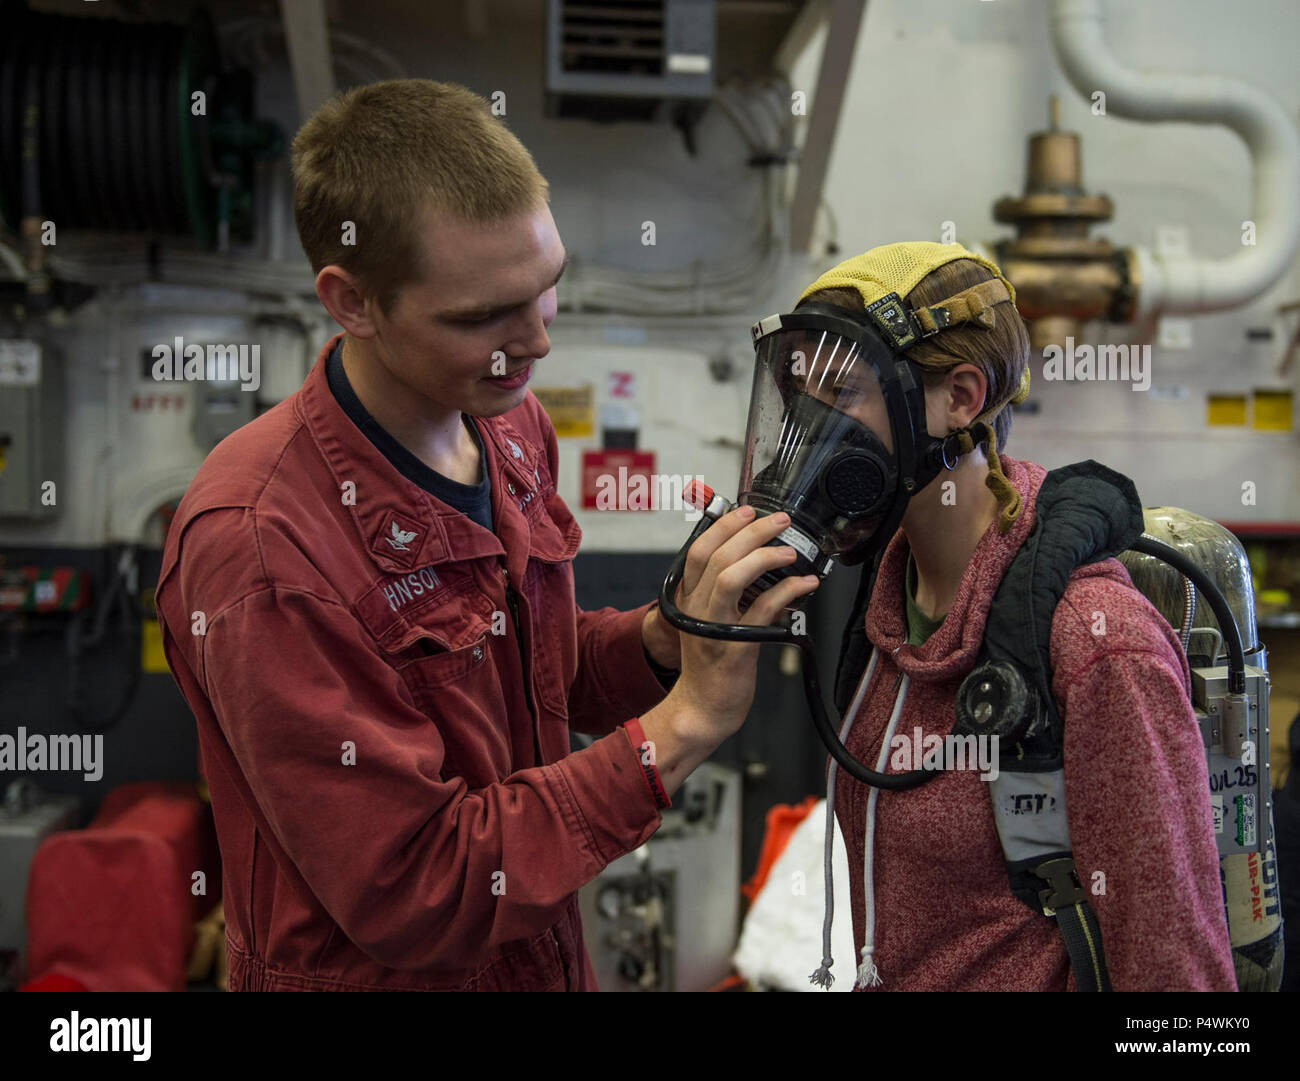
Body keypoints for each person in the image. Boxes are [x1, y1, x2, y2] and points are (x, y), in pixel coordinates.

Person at [153, 79, 818, 991]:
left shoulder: (507, 425)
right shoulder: (264, 548)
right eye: (479, 317)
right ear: (352, 301)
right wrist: (684, 725)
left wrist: (665, 641)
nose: (537, 340)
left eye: (546, 289)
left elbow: (531, 670)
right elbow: (417, 883)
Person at [769, 241, 1236, 990]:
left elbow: (1178, 978)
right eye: (802, 394)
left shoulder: (1096, 643)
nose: (810, 426)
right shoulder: (886, 611)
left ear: (960, 398)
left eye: (843, 391)